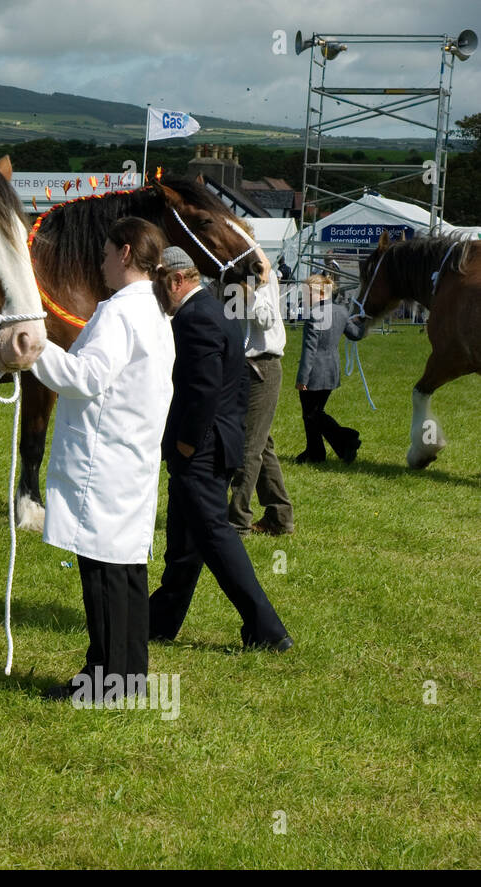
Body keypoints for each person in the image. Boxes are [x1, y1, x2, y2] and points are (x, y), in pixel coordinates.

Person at [29, 217, 175, 702]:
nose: (101, 261)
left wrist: (35, 350)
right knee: (128, 571)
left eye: (107, 252)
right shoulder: (155, 312)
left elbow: (87, 377)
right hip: (130, 454)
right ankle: (125, 674)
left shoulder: (120, 313)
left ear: (126, 253)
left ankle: (107, 681)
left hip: (106, 459)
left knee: (103, 573)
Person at [148, 247, 293, 654]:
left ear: (177, 281)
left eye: (160, 283)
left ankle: (267, 628)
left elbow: (203, 390)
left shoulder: (196, 319)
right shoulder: (215, 312)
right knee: (184, 541)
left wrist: (187, 442)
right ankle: (159, 621)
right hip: (212, 446)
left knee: (214, 536)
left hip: (201, 450)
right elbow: (239, 384)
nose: (157, 294)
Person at [228, 265, 295, 536]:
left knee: (248, 447)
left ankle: (236, 522)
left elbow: (265, 320)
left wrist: (249, 291)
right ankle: (279, 516)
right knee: (261, 444)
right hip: (243, 366)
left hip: (262, 366)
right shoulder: (232, 276)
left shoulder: (259, 277)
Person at [294, 274, 367, 464]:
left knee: (312, 414)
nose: (304, 297)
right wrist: (363, 321)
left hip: (314, 372)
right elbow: (355, 335)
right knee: (314, 414)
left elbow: (309, 349)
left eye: (306, 293)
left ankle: (347, 440)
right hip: (332, 370)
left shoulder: (314, 315)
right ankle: (316, 452)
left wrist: (302, 377)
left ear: (317, 293)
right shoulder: (341, 311)